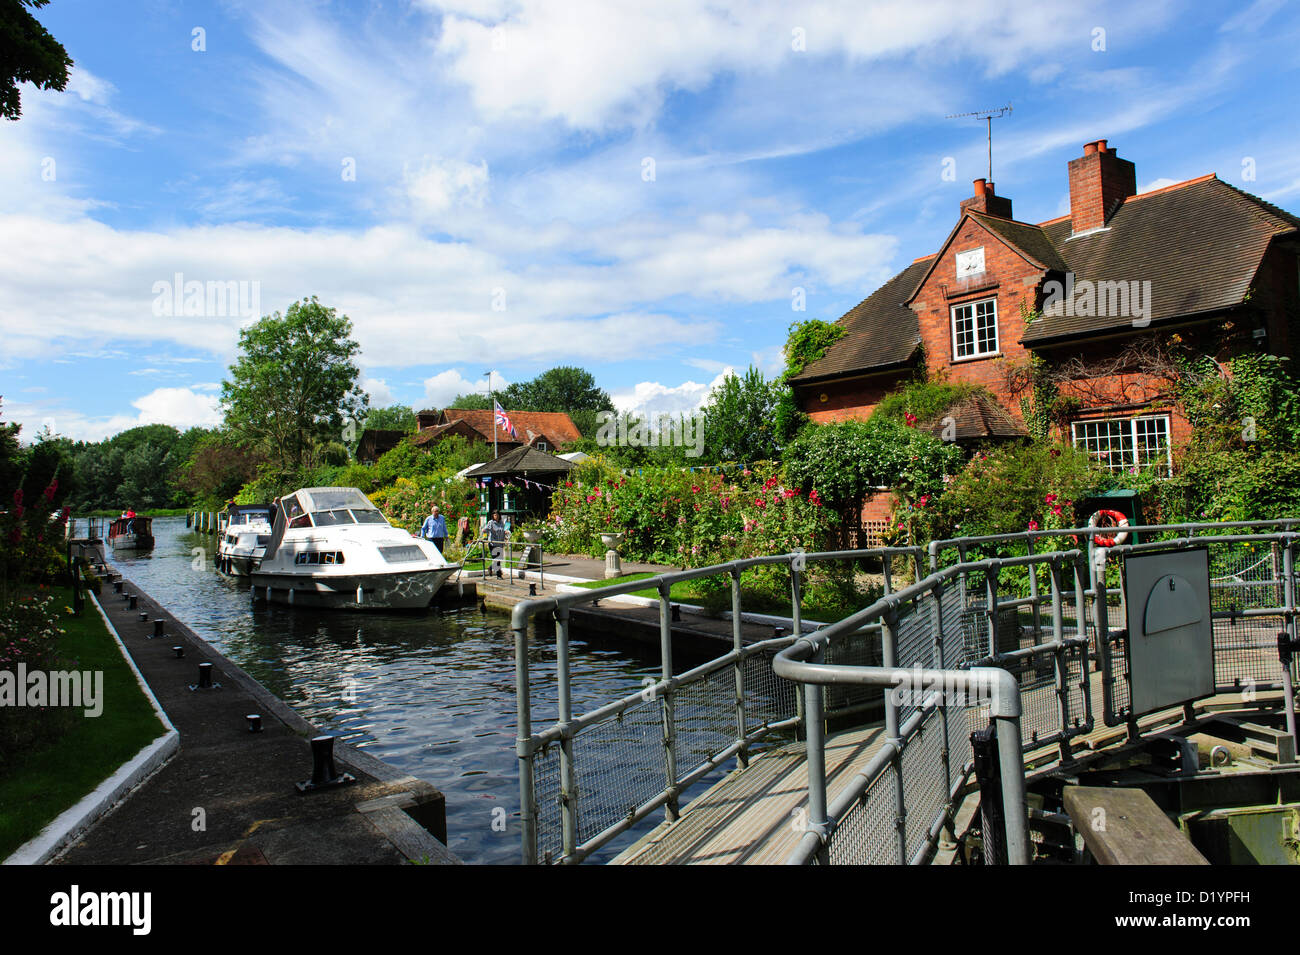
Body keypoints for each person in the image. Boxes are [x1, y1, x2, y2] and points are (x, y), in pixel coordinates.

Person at [485, 510, 507, 578]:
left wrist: (505, 534)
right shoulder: (491, 522)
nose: (496, 516)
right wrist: (484, 531)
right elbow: (486, 529)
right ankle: (499, 575)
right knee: (496, 559)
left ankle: (490, 568)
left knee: (499, 559)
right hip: (493, 544)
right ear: (493, 516)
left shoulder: (501, 523)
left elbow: (503, 531)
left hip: (500, 543)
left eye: (497, 515)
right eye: (495, 515)